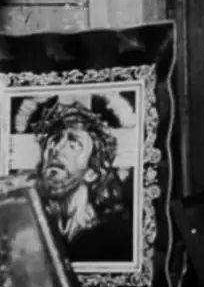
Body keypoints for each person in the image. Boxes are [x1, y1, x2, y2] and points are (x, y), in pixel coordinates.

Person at [31, 100, 133, 263]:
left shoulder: (110, 237)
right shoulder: (29, 231)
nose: (57, 149)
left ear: (92, 172)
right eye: (55, 140)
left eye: (74, 144)